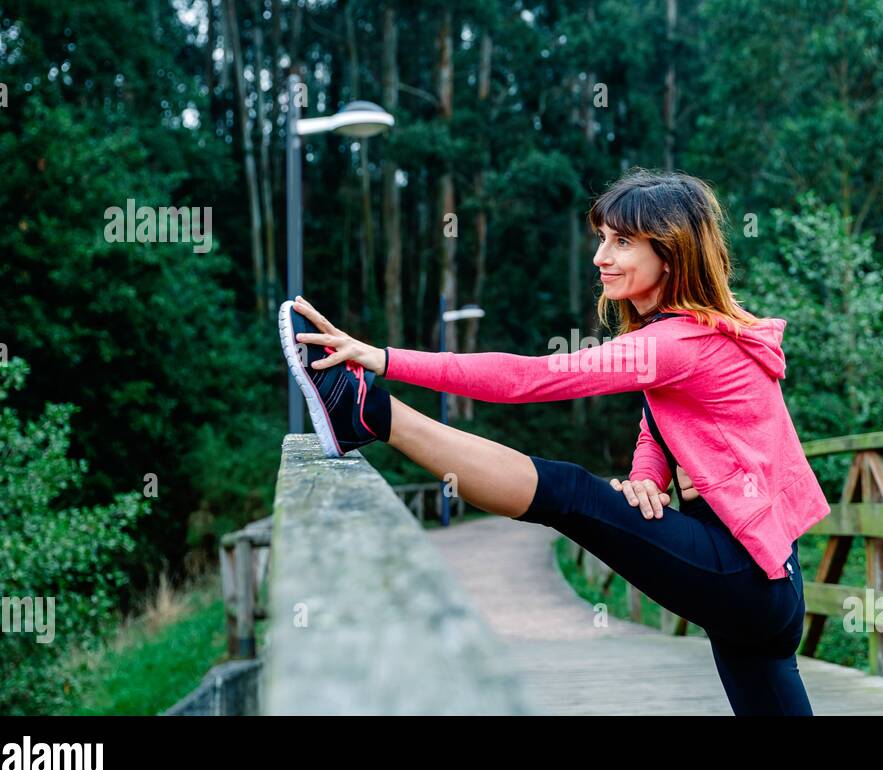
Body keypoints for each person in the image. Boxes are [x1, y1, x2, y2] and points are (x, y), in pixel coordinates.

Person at [276, 167, 831, 715]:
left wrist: (386, 359)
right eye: (602, 240)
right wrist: (646, 478)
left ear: (670, 254)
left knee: (571, 493)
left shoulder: (677, 343)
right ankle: (364, 415)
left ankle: (370, 413)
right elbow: (656, 425)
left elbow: (529, 378)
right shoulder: (694, 334)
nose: (600, 258)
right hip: (764, 580)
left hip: (745, 575)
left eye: (621, 243)